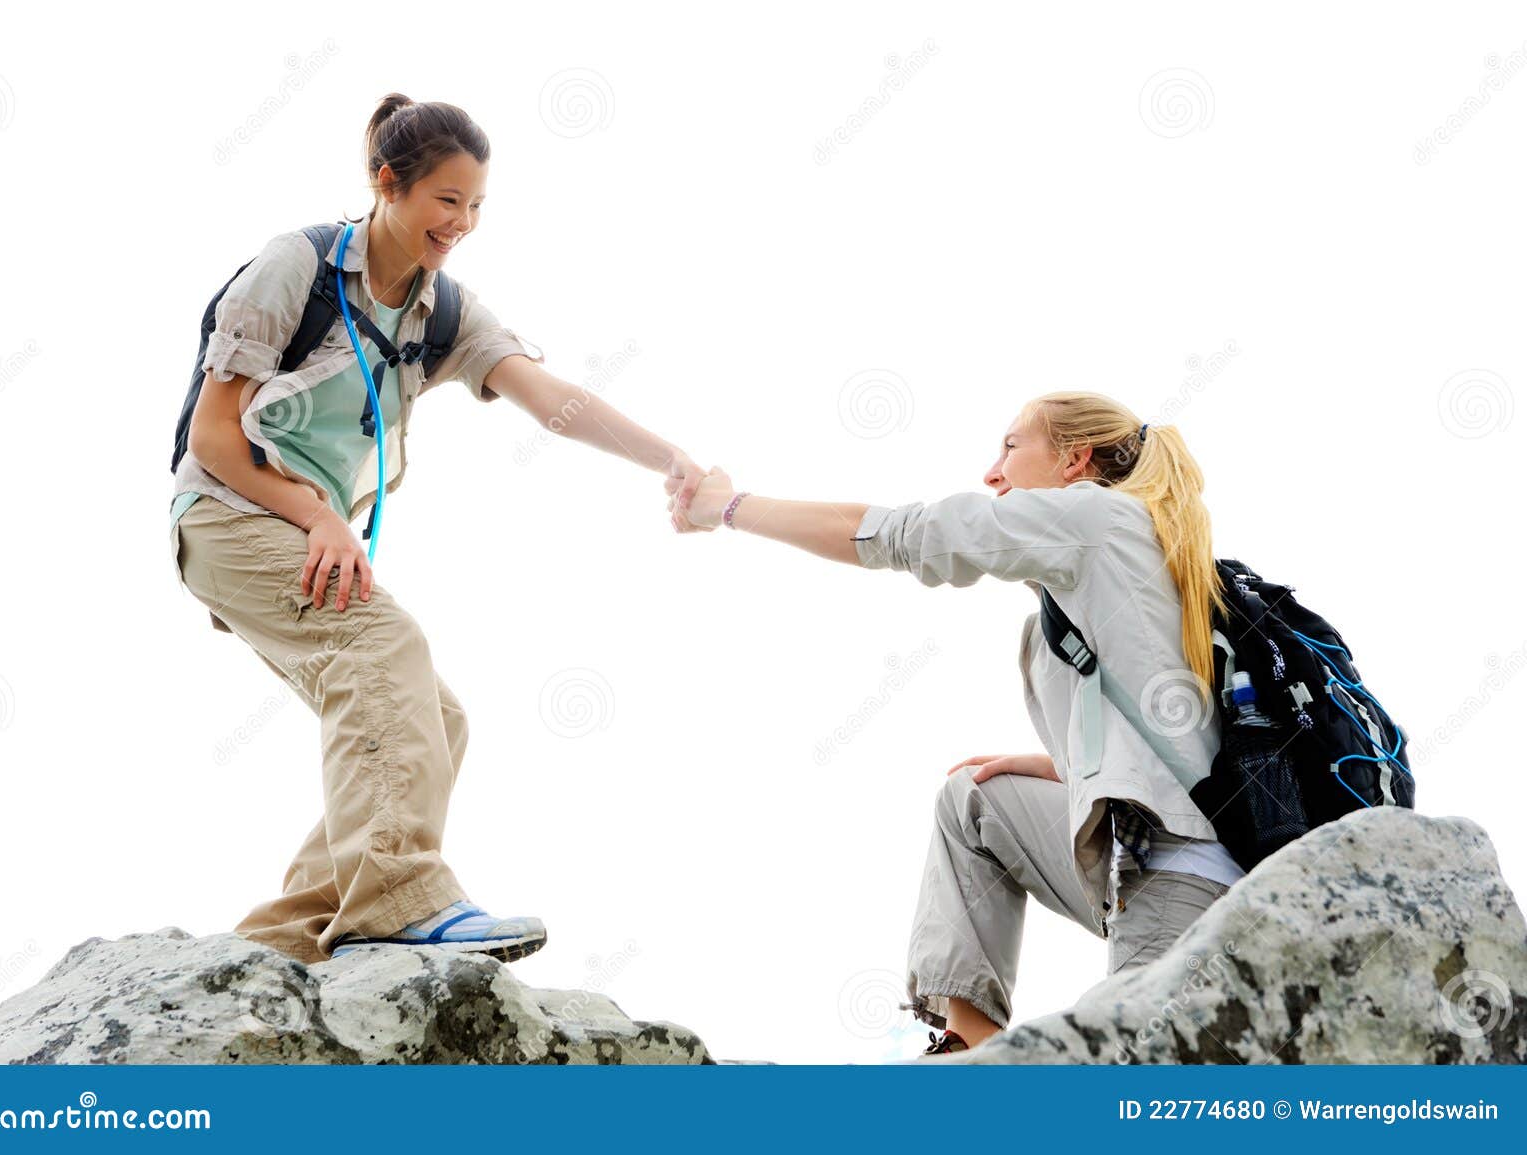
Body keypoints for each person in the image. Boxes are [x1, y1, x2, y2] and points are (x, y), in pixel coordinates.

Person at [169, 94, 709, 966]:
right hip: (227, 516)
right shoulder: (295, 268)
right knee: (385, 649)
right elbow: (213, 437)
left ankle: (283, 947)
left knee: (434, 716)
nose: (461, 223)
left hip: (302, 533)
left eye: (477, 206)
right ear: (387, 184)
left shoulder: (442, 312)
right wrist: (319, 515)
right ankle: (399, 898)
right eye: (447, 200)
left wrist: (670, 458)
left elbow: (554, 400)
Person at [666, 390, 1247, 1055]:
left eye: (1011, 447)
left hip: (1182, 876)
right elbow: (1180, 732)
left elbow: (898, 534)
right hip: (1145, 862)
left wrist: (728, 507)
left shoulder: (1097, 518)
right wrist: (1062, 767)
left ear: (1074, 460)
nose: (992, 473)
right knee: (974, 799)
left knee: (1137, 1090)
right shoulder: (1122, 559)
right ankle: (967, 1047)